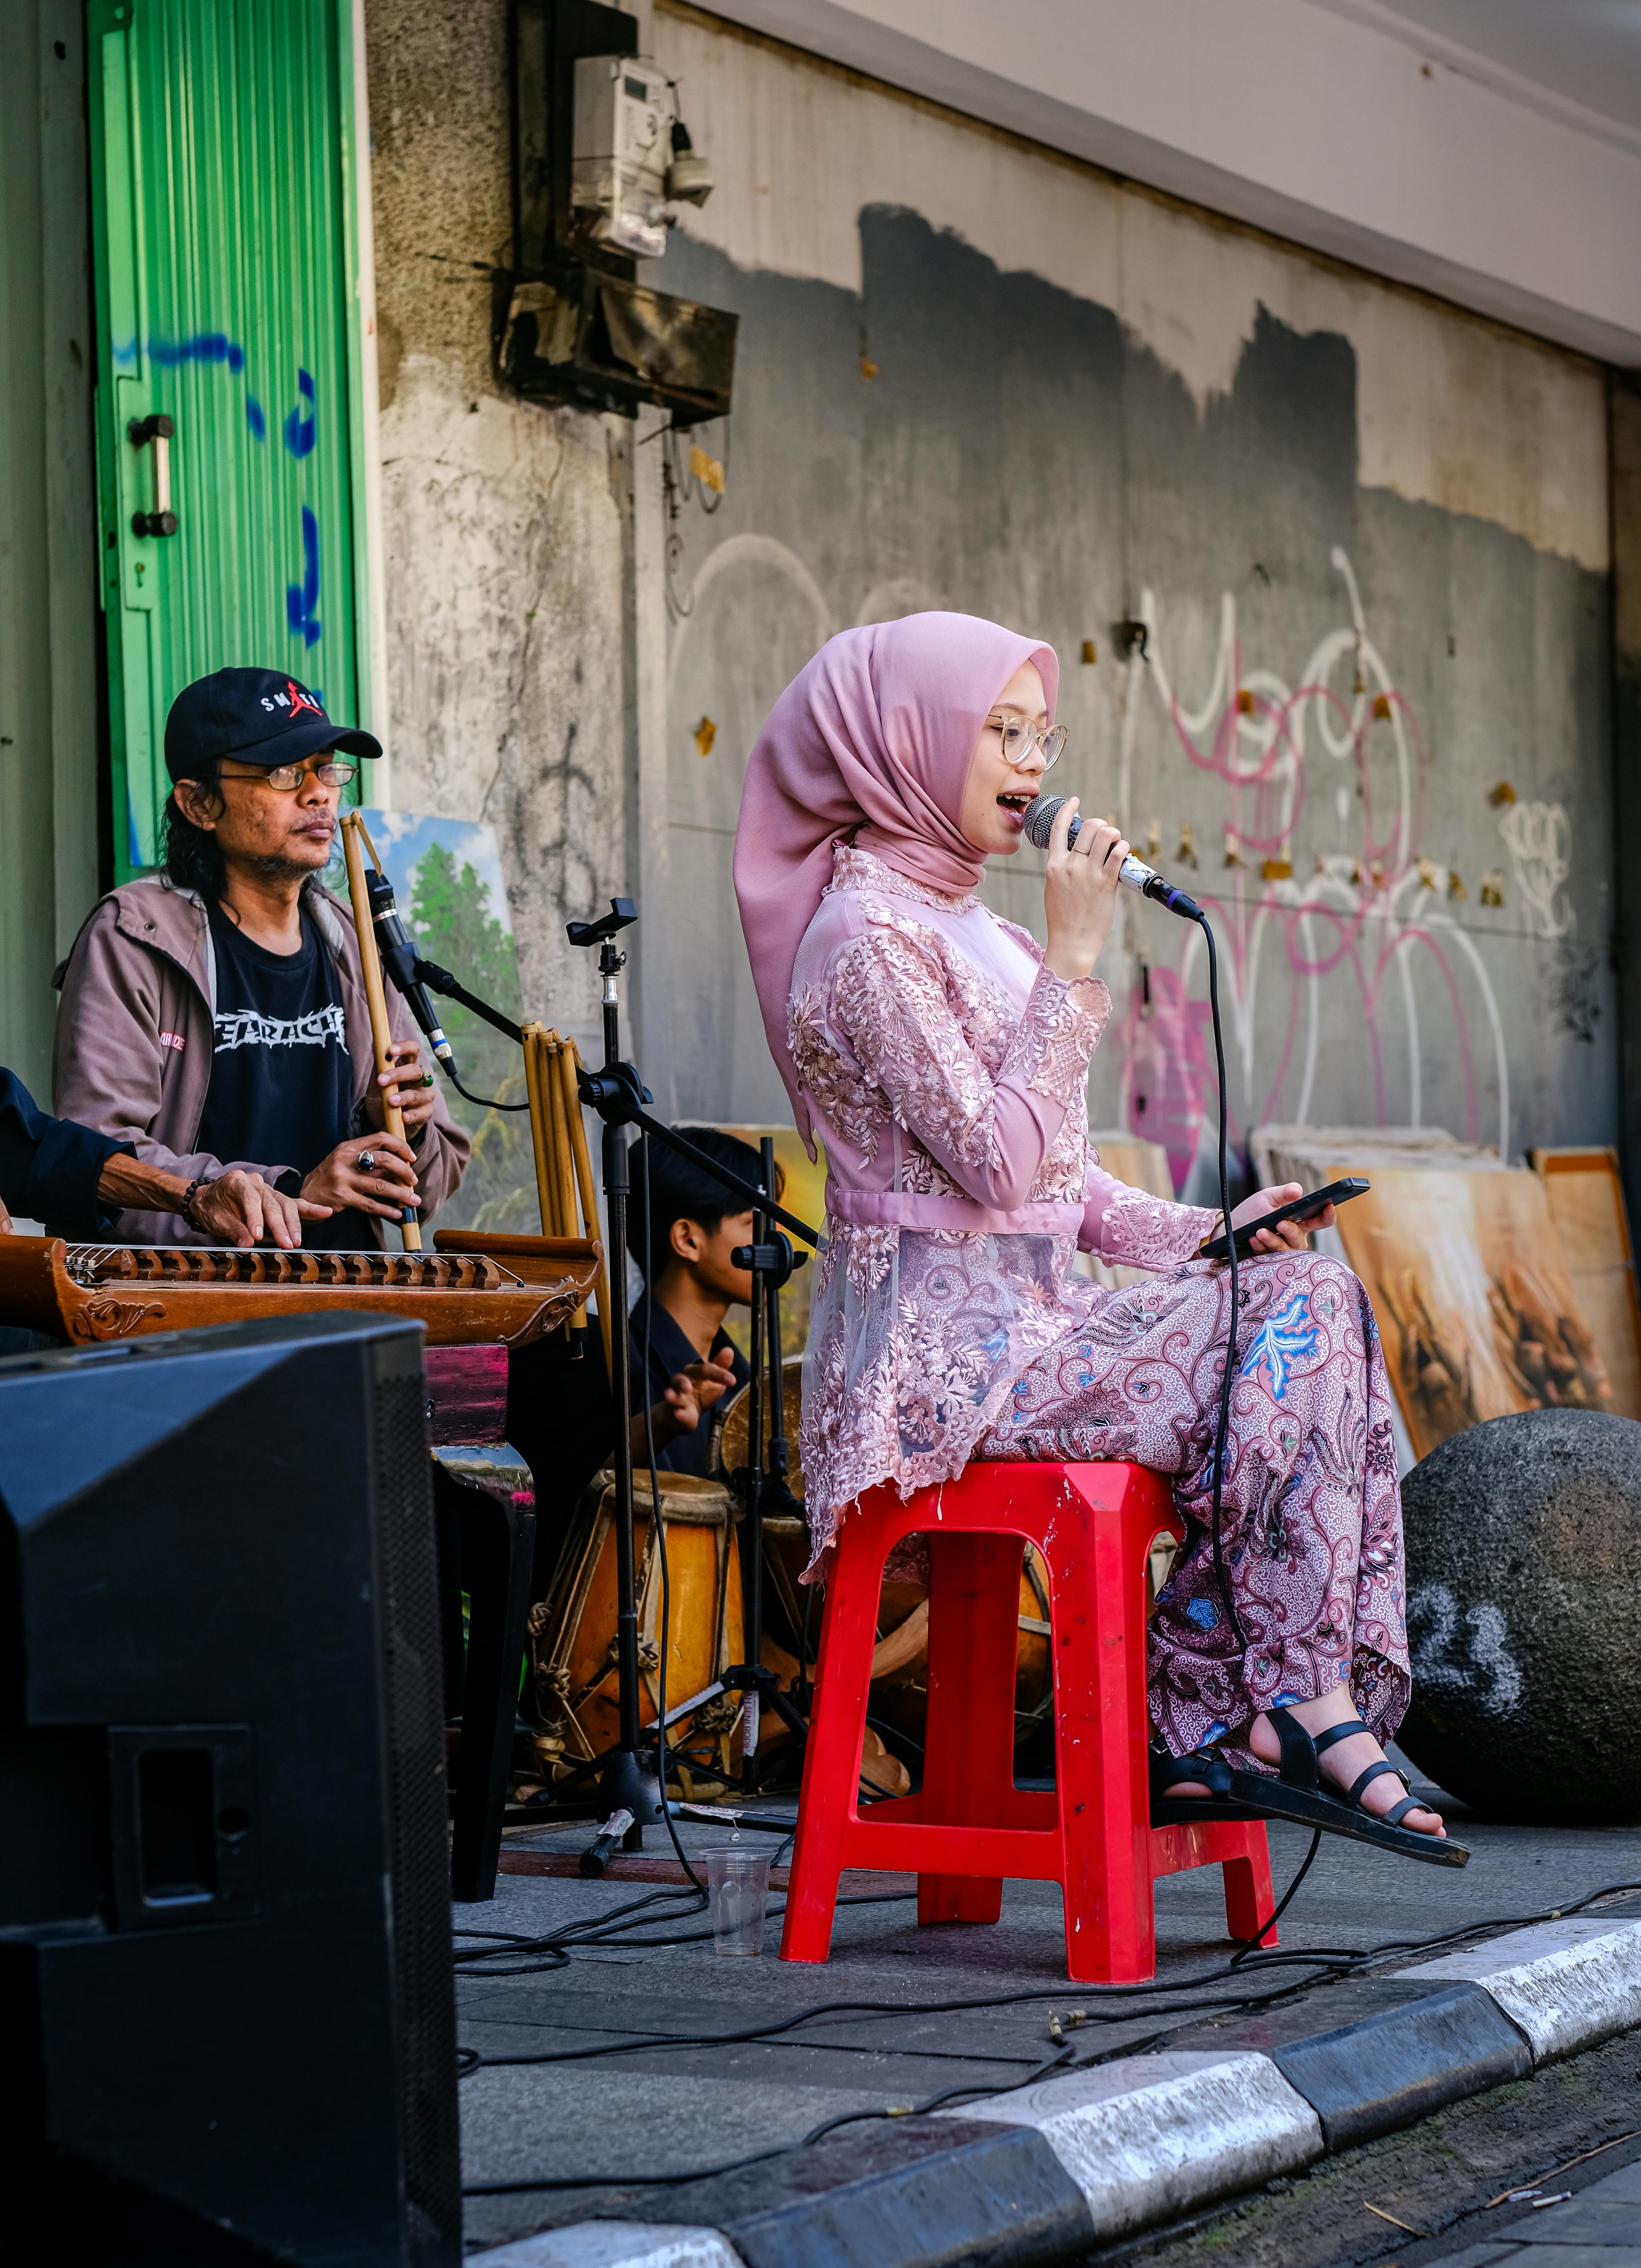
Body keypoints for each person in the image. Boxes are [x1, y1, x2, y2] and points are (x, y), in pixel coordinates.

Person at [732, 610, 1452, 1862]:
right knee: (1304, 1325)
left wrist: (1218, 1231)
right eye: (998, 730)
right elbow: (994, 1159)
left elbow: (1065, 1190)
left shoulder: (987, 935)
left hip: (1043, 1329)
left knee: (1311, 1292)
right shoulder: (863, 944)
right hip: (938, 1369)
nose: (1030, 761)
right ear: (907, 741)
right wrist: (1075, 956)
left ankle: (1259, 1702)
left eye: (1039, 731)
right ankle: (1263, 1701)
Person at [53, 668, 468, 1247]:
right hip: (198, 1311)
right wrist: (293, 1193)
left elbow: (436, 1179)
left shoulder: (354, 944)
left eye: (327, 769)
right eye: (284, 773)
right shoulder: (135, 937)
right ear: (199, 804)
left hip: (352, 1302)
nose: (319, 792)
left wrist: (401, 1123)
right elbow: (94, 1163)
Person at [626, 1128, 764, 1475]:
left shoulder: (744, 1383)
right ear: (688, 1240)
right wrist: (663, 1422)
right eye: (753, 1222)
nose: (773, 1243)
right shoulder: (617, 1367)